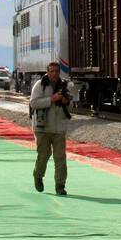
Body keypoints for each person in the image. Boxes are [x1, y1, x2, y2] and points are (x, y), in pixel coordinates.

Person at [28, 62, 72, 195]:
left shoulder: (64, 86)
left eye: (56, 71)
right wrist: (51, 99)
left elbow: (71, 108)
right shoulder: (40, 85)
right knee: (44, 155)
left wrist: (66, 102)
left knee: (60, 157)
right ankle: (38, 176)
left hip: (59, 128)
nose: (54, 74)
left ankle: (60, 185)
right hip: (42, 128)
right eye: (51, 71)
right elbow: (33, 103)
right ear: (47, 72)